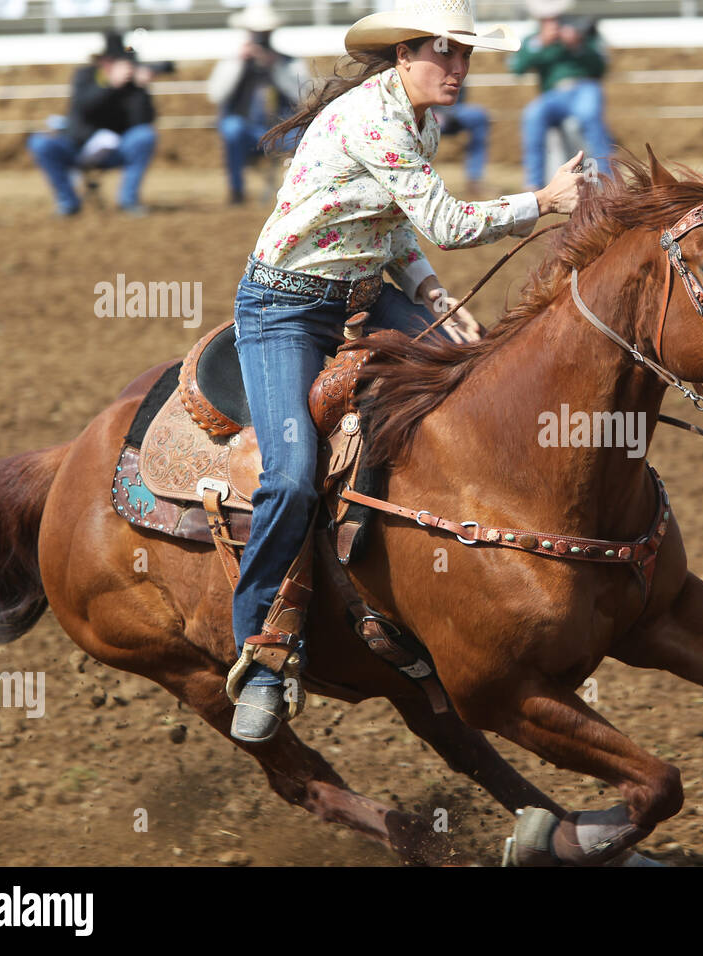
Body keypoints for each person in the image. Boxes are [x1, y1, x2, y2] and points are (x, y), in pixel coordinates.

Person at [226, 0, 586, 743]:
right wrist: (544, 202)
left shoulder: (416, 116)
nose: (458, 68)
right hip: (285, 310)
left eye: (465, 55)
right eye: (444, 54)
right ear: (403, 55)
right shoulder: (377, 120)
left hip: (364, 291)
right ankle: (260, 651)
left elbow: (392, 228)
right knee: (290, 474)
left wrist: (428, 294)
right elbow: (447, 224)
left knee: (480, 379)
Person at [27, 31, 157, 217]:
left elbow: (144, 120)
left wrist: (140, 89)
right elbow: (84, 106)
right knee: (40, 143)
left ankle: (128, 200)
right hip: (77, 145)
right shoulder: (85, 76)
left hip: (116, 148)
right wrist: (111, 85)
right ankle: (68, 203)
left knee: (144, 135)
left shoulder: (133, 88)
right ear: (105, 62)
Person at [207, 5, 314, 204]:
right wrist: (239, 63)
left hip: (281, 130)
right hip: (246, 128)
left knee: (306, 140)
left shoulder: (288, 62)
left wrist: (276, 67)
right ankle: (236, 191)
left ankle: (298, 192)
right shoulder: (233, 61)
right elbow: (216, 94)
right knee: (232, 128)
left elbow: (304, 95)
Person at [510, 0, 612, 192]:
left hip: (584, 86)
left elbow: (601, 66)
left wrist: (578, 46)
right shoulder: (533, 39)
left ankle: (608, 180)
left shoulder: (581, 31)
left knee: (588, 115)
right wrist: (541, 43)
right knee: (533, 115)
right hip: (553, 94)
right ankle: (534, 185)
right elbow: (517, 67)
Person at [430, 83, 490, 194]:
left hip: (453, 110)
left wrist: (449, 112)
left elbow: (460, 93)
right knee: (425, 123)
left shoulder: (458, 67)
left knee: (478, 116)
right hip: (430, 110)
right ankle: (422, 179)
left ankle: (474, 179)